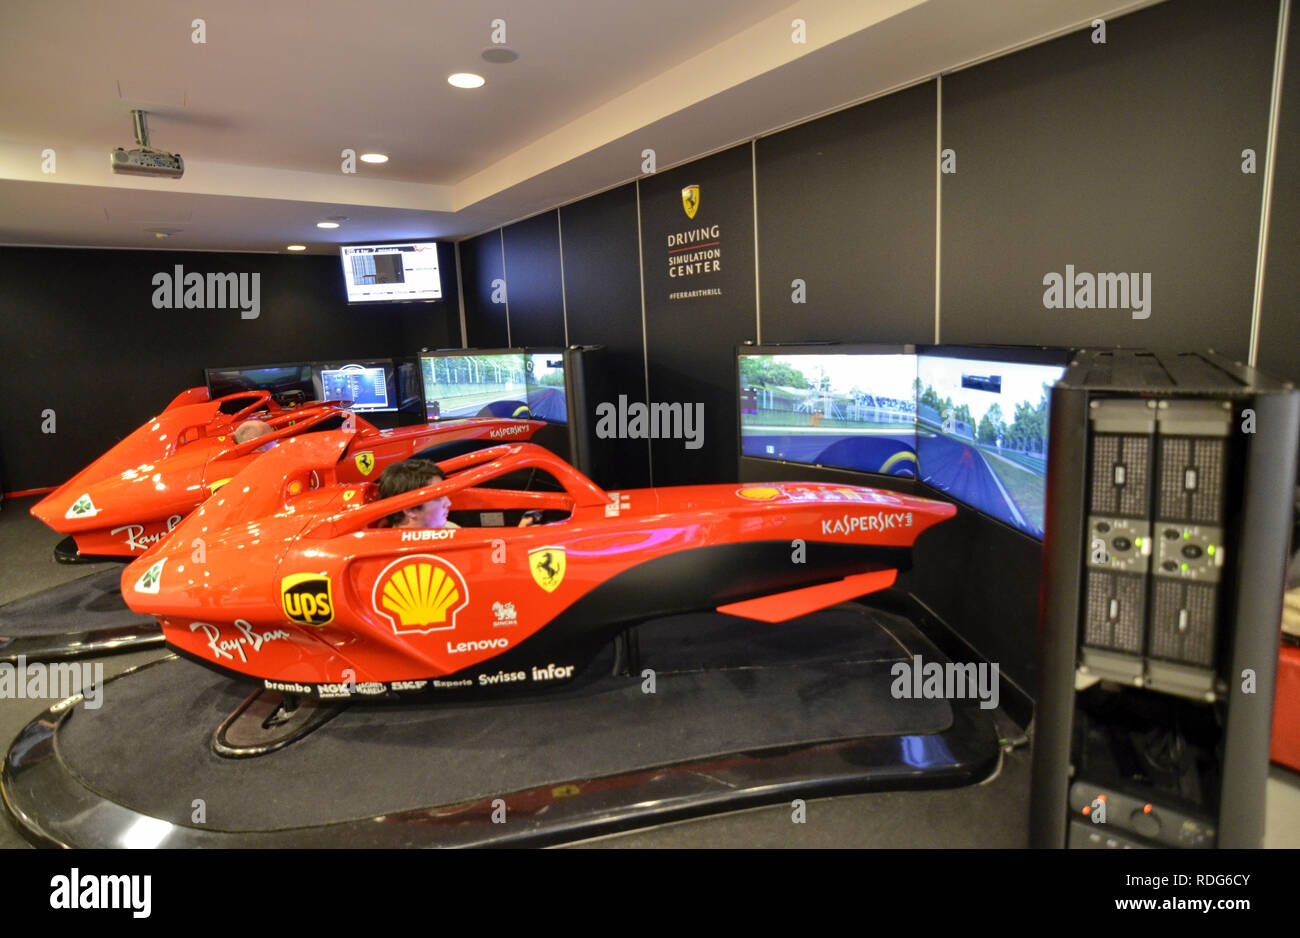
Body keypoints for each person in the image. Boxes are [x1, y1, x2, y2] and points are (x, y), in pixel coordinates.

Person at [376, 457, 538, 529]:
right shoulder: (392, 559)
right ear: (409, 509)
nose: (449, 503)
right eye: (438, 498)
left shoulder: (446, 528)